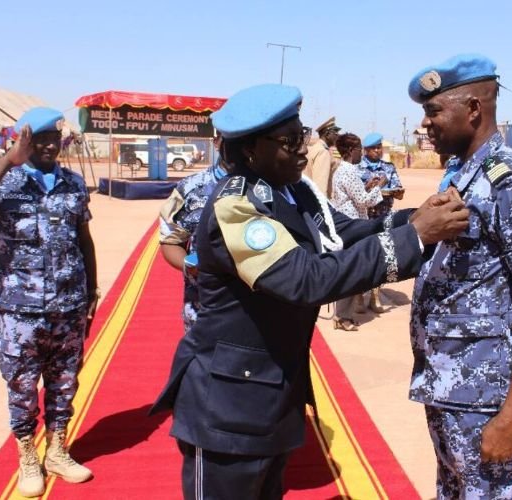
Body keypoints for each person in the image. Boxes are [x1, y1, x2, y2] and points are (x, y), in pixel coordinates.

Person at [150, 83, 469, 500]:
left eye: (303, 135)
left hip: (271, 394)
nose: (305, 148)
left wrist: (414, 220)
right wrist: (414, 239)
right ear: (250, 151)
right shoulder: (238, 206)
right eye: (290, 140)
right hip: (229, 407)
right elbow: (306, 280)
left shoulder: (292, 189)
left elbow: (345, 233)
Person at [407, 53, 512, 499]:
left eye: (434, 110)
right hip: (451, 384)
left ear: (473, 108)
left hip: (486, 395)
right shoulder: (466, 175)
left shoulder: (511, 182)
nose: (426, 124)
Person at [0, 107, 97, 497]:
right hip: (20, 311)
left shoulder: (73, 183)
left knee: (64, 384)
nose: (49, 145)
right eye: (39, 138)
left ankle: (57, 451)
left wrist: (92, 292)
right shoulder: (5, 183)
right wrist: (6, 160)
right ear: (23, 141)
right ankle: (27, 455)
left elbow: (84, 240)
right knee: (21, 387)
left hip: (68, 306)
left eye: (55, 138)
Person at [158, 133, 228, 334]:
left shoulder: (267, 189)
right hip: (203, 311)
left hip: (254, 314)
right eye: (229, 139)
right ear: (216, 142)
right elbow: (170, 240)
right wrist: (191, 266)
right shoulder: (190, 188)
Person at [330, 132, 387, 331]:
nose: (361, 153)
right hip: (352, 226)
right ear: (351, 151)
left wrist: (366, 186)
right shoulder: (349, 171)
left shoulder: (343, 170)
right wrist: (379, 187)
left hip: (348, 225)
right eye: (360, 149)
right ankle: (342, 316)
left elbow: (355, 195)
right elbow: (363, 201)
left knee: (350, 269)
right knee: (351, 271)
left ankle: (344, 314)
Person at [358, 132, 405, 313]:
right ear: (366, 150)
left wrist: (397, 191)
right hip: (363, 218)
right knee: (362, 256)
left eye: (379, 147)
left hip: (384, 217)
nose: (377, 151)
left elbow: (396, 187)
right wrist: (372, 187)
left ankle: (375, 296)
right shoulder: (357, 168)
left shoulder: (389, 167)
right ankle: (359, 297)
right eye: (373, 148)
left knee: (381, 255)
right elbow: (356, 193)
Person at [303, 116, 340, 197]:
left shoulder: (314, 149)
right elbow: (320, 186)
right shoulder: (323, 152)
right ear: (327, 134)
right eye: (335, 132)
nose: (338, 135)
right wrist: (322, 207)